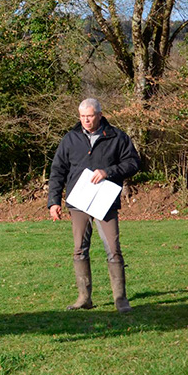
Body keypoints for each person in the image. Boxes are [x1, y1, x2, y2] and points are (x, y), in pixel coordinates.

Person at [48, 98, 140, 313]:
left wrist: (108, 172)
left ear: (99, 114)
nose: (86, 120)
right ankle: (84, 298)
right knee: (80, 249)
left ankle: (120, 299)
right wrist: (53, 202)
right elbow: (57, 171)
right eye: (82, 117)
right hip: (78, 203)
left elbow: (133, 163)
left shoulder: (117, 137)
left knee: (113, 249)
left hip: (105, 202)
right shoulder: (70, 139)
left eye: (89, 116)